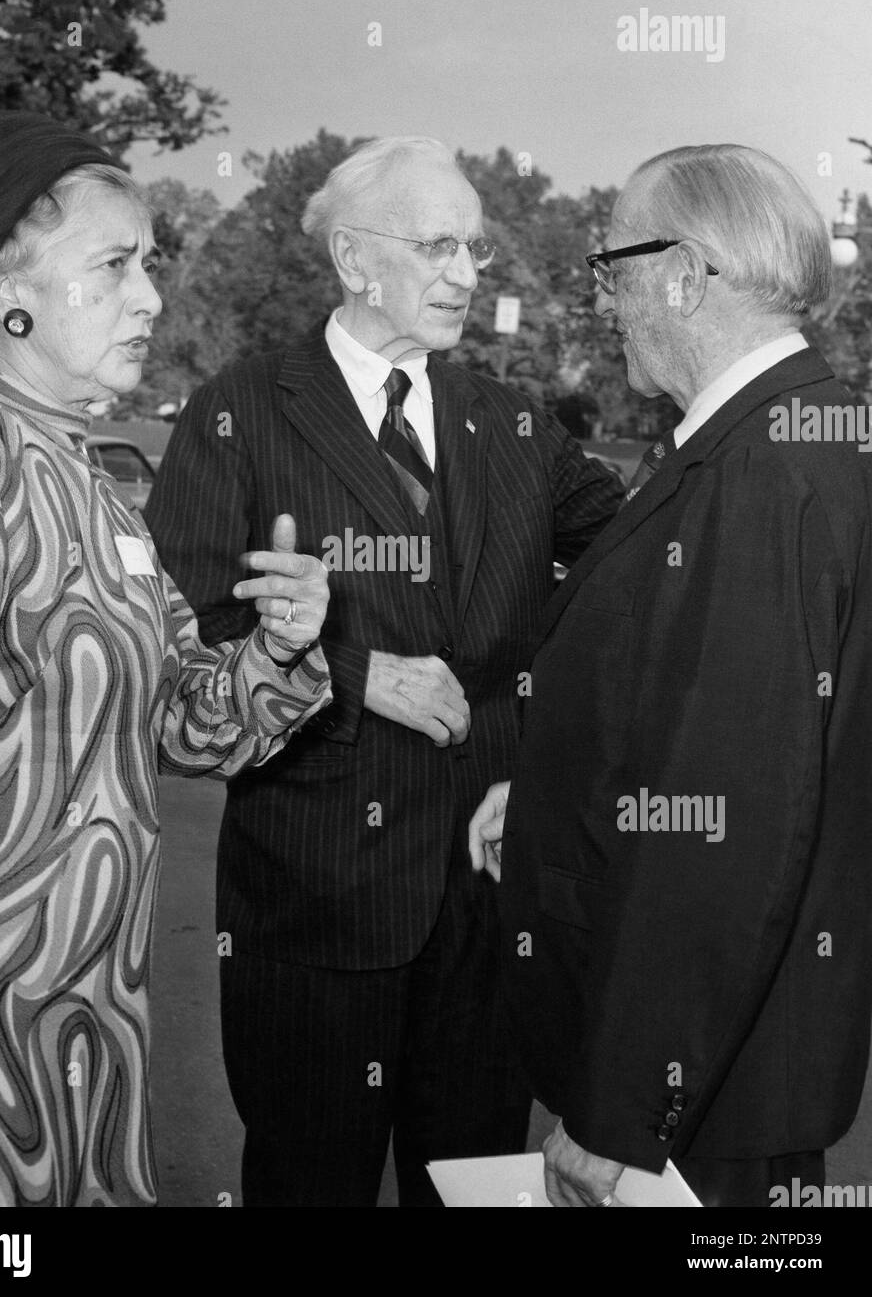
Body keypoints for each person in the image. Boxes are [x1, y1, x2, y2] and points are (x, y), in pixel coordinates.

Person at [144, 135, 623, 1207]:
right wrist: (358, 675)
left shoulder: (509, 420)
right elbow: (189, 633)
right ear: (357, 262)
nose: (466, 272)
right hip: (315, 907)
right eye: (438, 245)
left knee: (479, 1186)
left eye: (476, 248)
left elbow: (636, 552)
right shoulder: (241, 412)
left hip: (486, 906)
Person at [0, 110, 332, 1208]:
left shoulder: (86, 485)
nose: (151, 298)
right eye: (116, 264)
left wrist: (277, 647)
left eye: (151, 264)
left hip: (87, 1034)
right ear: (4, 287)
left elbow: (184, 717)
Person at [472, 143, 872, 1208]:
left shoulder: (756, 475)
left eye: (610, 268)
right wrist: (545, 802)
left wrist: (620, 1105)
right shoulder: (790, 440)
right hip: (735, 1066)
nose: (605, 301)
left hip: (696, 1103)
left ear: (684, 274)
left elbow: (728, 822)